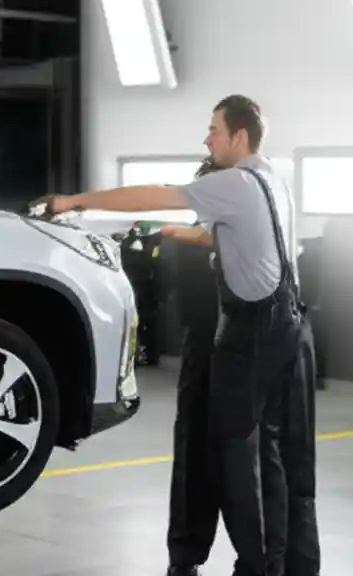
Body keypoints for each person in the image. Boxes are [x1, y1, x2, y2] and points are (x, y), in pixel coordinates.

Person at [37, 95, 319, 576]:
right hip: (288, 327)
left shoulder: (233, 182)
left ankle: (256, 566)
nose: (206, 139)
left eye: (213, 130)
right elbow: (230, 236)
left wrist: (72, 202)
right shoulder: (272, 179)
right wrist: (173, 232)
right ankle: (279, 562)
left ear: (239, 137)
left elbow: (152, 193)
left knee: (233, 453)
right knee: (270, 452)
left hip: (250, 333)